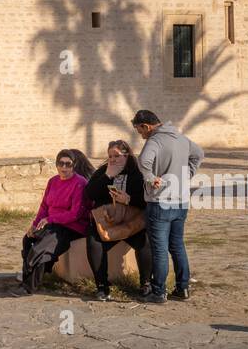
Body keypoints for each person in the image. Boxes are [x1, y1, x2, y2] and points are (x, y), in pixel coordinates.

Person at [133, 109, 204, 304]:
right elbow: (199, 154)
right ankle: (182, 289)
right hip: (181, 202)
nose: (141, 135)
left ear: (146, 126)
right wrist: (186, 175)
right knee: (177, 246)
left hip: (159, 203)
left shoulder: (155, 141)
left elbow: (143, 161)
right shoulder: (181, 138)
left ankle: (159, 292)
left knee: (160, 249)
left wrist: (150, 178)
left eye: (140, 131)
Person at [84, 139, 153, 302]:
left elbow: (147, 199)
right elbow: (89, 194)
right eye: (110, 156)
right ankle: (102, 286)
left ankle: (146, 284)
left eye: (117, 156)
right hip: (109, 222)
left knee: (145, 242)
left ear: (127, 155)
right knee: (94, 242)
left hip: (132, 223)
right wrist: (107, 175)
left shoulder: (138, 173)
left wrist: (128, 199)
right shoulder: (103, 172)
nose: (113, 159)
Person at [20, 149, 93, 293]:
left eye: (68, 164)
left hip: (72, 226)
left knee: (41, 248)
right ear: (56, 165)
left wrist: (50, 219)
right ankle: (30, 277)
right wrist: (34, 225)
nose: (64, 167)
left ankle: (29, 287)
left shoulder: (79, 183)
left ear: (74, 165)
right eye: (61, 164)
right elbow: (44, 206)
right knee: (28, 239)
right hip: (52, 223)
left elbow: (75, 213)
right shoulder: (53, 181)